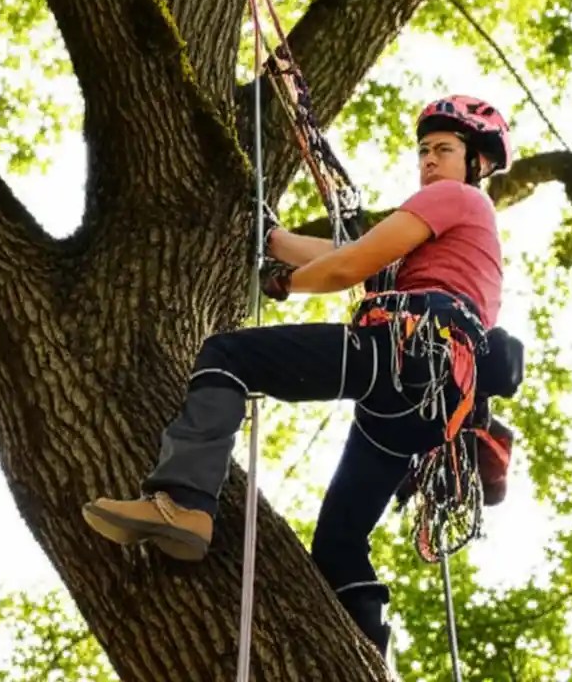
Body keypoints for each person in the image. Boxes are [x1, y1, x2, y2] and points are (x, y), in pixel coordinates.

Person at [81, 94, 513, 655]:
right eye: (424, 150)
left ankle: (183, 501)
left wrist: (287, 284)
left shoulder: (456, 200)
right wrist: (274, 242)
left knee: (226, 355)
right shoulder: (442, 245)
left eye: (444, 150)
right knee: (338, 542)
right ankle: (366, 658)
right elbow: (353, 250)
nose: (429, 160)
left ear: (475, 163)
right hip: (424, 406)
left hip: (405, 356)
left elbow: (351, 265)